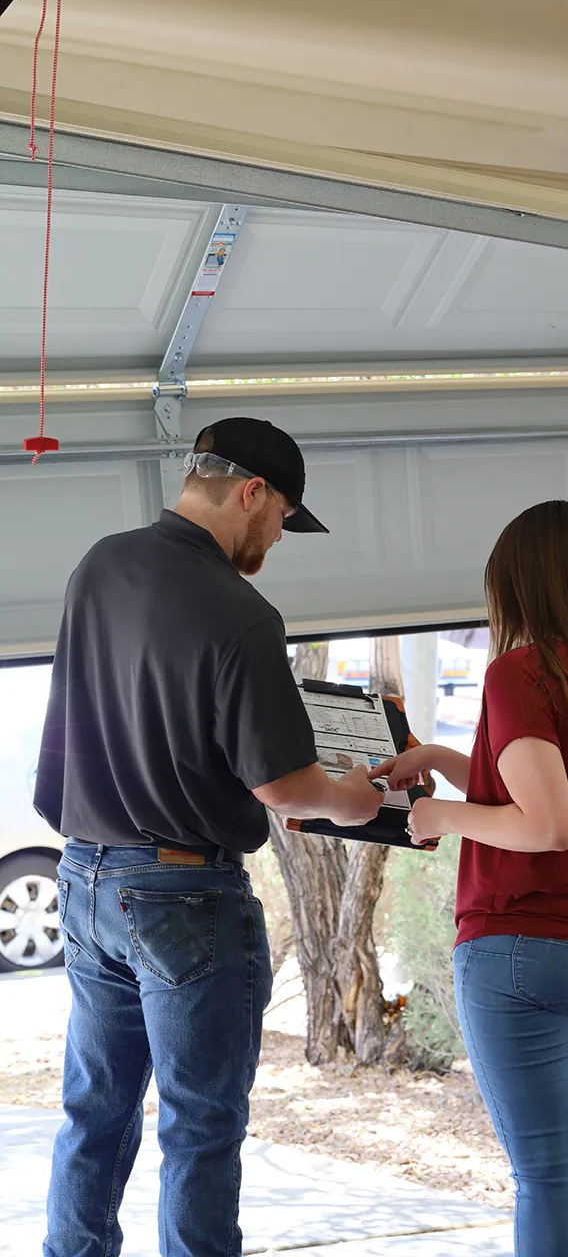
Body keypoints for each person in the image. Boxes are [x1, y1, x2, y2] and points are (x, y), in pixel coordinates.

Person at [35, 417, 383, 1257]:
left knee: (95, 1112)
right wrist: (358, 797)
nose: (275, 539)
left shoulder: (100, 564)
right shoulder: (242, 613)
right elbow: (287, 788)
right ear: (251, 491)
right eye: (281, 519)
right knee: (198, 1128)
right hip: (185, 894)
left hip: (84, 878)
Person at [373, 500, 568, 1257]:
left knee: (544, 1172)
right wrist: (432, 759)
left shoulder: (516, 672)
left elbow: (543, 825)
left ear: (519, 586)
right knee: (563, 1165)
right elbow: (550, 792)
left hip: (526, 947)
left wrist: (442, 818)